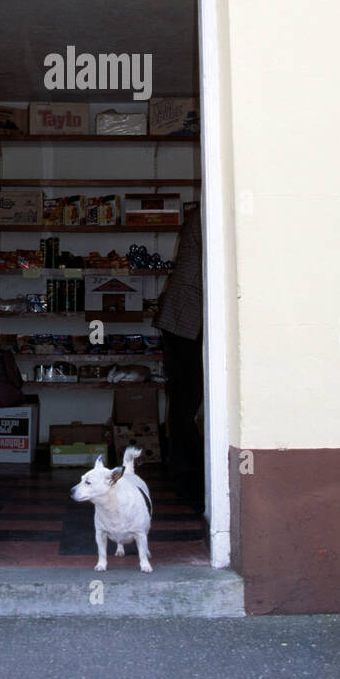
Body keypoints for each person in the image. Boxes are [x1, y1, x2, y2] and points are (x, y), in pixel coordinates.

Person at [154, 203, 204, 497]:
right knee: (186, 399)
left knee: (184, 399)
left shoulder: (201, 214)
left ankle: (185, 468)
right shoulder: (207, 215)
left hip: (183, 319)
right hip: (186, 320)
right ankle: (187, 473)